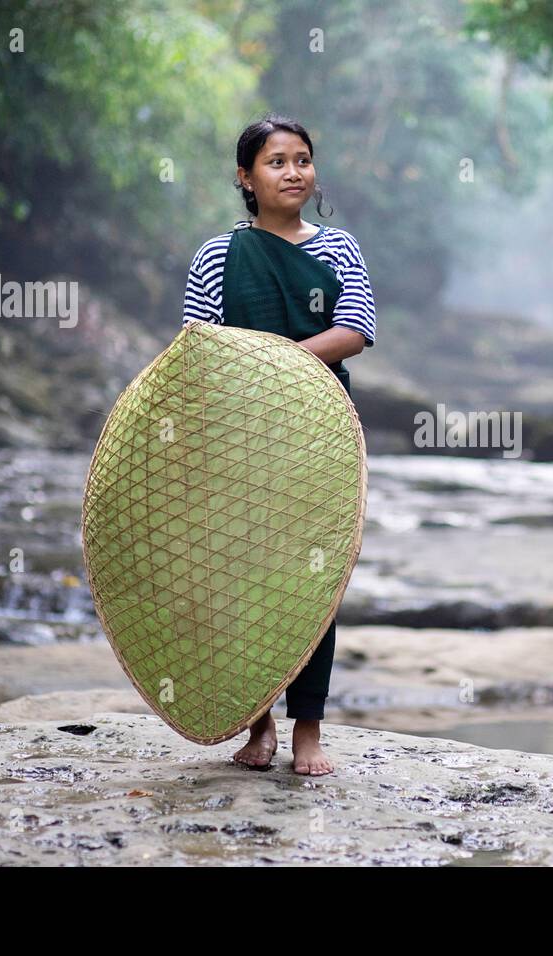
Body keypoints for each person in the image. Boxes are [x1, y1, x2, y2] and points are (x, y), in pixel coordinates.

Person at [181, 112, 376, 776]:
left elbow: (354, 329)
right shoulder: (218, 256)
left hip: (321, 433)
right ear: (245, 177)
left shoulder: (338, 248)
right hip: (239, 435)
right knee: (243, 578)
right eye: (276, 161)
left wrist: (278, 363)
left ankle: (309, 734)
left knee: (316, 582)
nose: (293, 172)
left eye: (302, 159)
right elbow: (198, 347)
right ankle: (258, 726)